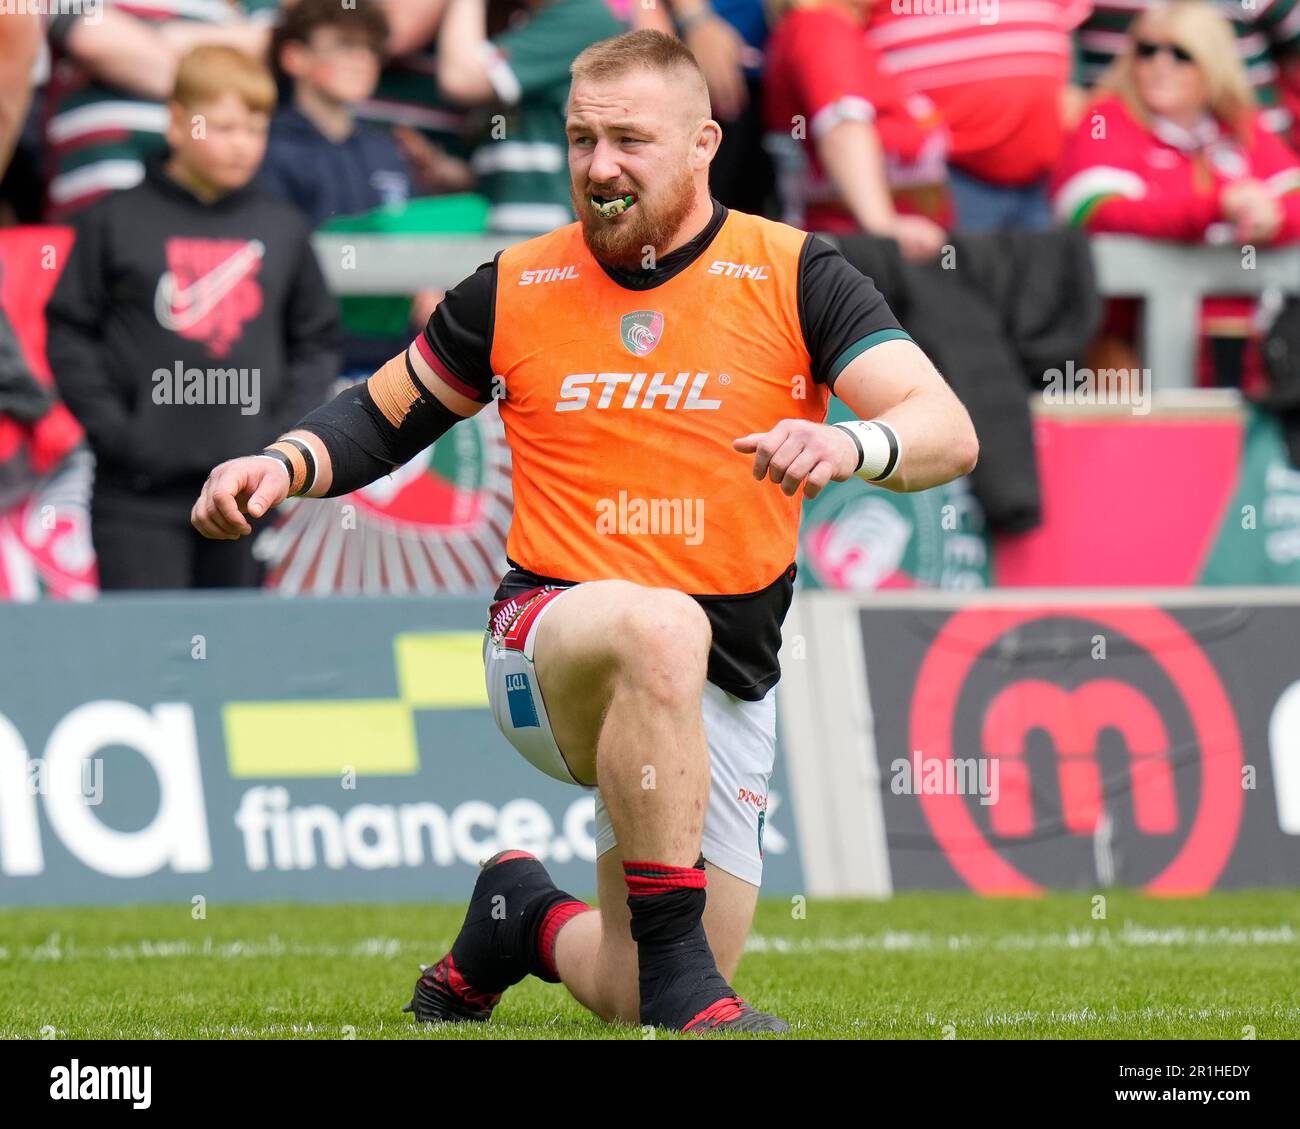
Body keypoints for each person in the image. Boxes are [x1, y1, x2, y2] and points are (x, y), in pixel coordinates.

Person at [191, 29, 977, 1032]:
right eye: (579, 140)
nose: (599, 167)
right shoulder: (519, 282)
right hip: (546, 642)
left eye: (628, 142)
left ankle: (518, 915)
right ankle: (689, 985)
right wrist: (281, 462)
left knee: (628, 984)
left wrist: (855, 445)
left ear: (702, 145)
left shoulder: (793, 272)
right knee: (659, 629)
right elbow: (383, 416)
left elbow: (945, 430)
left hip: (724, 672)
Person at [48, 46, 341, 591]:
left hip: (244, 496)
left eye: (256, 129)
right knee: (141, 660)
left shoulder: (281, 227)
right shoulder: (114, 220)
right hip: (135, 499)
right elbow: (70, 333)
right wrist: (121, 433)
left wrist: (277, 439)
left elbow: (315, 341)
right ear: (179, 123)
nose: (243, 145)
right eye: (225, 127)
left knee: (231, 664)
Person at [1052, 2, 1300, 388]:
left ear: (1212, 63)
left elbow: (1292, 194)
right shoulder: (1106, 119)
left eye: (1180, 54)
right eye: (1147, 50)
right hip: (1136, 350)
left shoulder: (1240, 126)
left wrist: (1274, 217)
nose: (1159, 65)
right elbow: (1095, 210)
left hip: (1249, 349)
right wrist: (1218, 206)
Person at [865, 0, 1090, 231]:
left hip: (1044, 173)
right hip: (941, 172)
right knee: (949, 264)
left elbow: (1067, 21)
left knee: (1049, 265)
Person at [763, 0, 949, 260]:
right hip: (855, 255)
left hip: (861, 254)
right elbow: (842, 127)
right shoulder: (819, 26)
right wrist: (883, 227)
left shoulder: (828, 27)